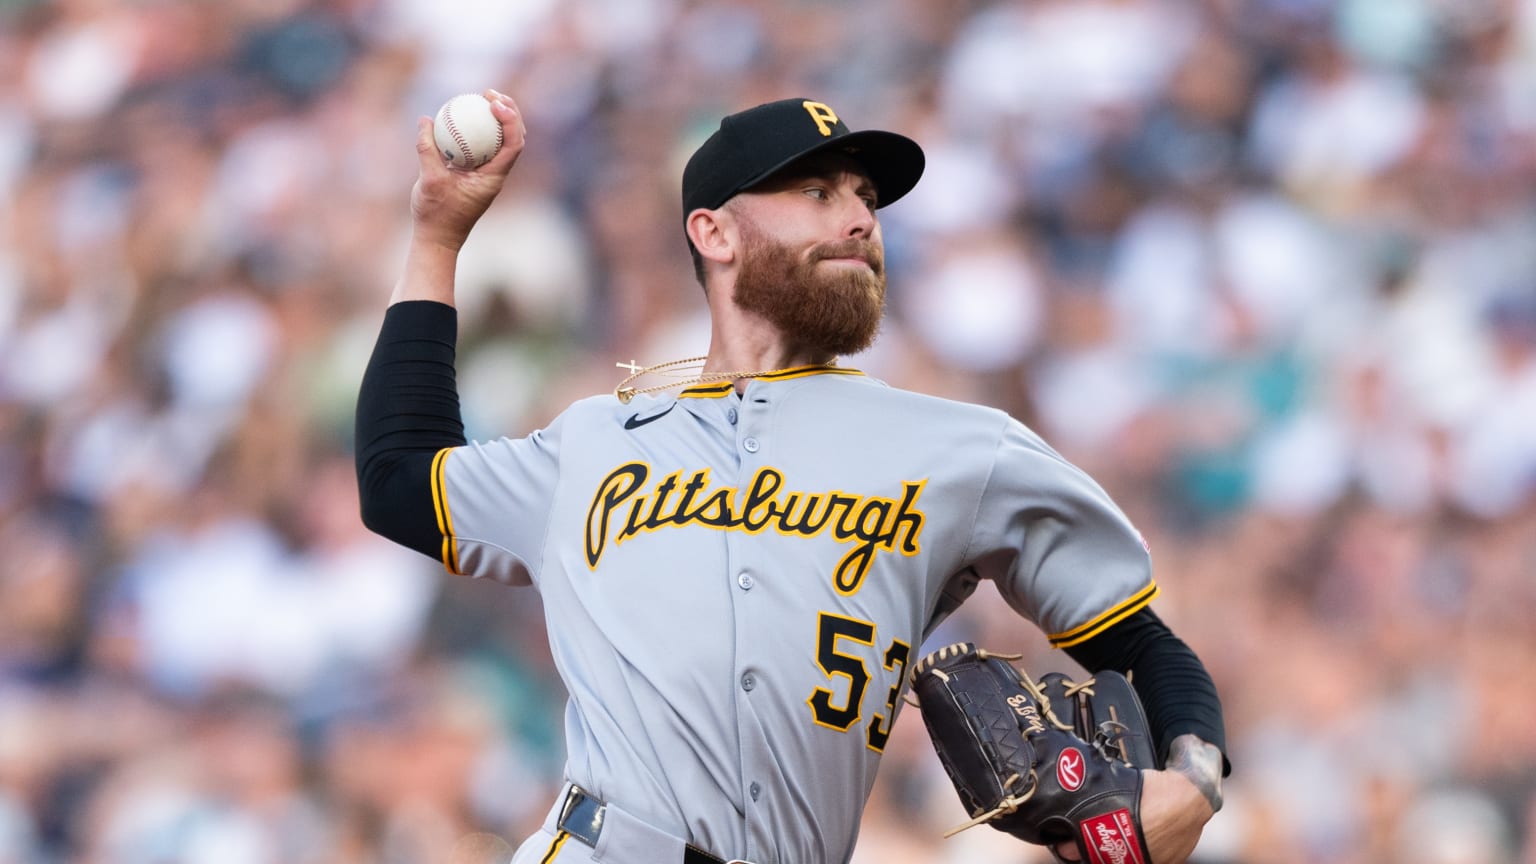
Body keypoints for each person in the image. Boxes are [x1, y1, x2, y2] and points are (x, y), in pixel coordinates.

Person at [355, 91, 1228, 864]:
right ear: (714, 231)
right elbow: (399, 478)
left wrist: (1194, 779)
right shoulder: (591, 444)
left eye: (865, 198)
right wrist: (438, 234)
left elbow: (1142, 645)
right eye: (817, 192)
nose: (857, 218)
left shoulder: (964, 452)